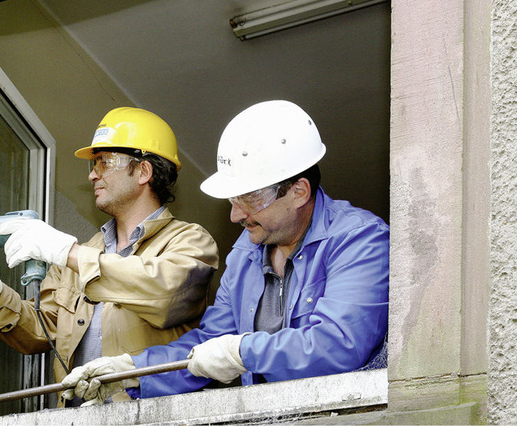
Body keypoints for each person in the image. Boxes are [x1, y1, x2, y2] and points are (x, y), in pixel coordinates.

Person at [60, 100, 389, 405]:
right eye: (233, 200)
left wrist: (242, 352)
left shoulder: (359, 241)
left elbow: (338, 345)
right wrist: (130, 371)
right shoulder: (248, 251)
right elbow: (209, 344)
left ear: (299, 192)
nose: (235, 216)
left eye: (249, 199)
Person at [0, 106, 219, 404]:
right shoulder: (80, 255)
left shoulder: (190, 241)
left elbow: (166, 294)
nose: (93, 174)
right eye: (94, 165)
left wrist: (68, 252)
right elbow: (38, 332)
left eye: (104, 162)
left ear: (144, 171)